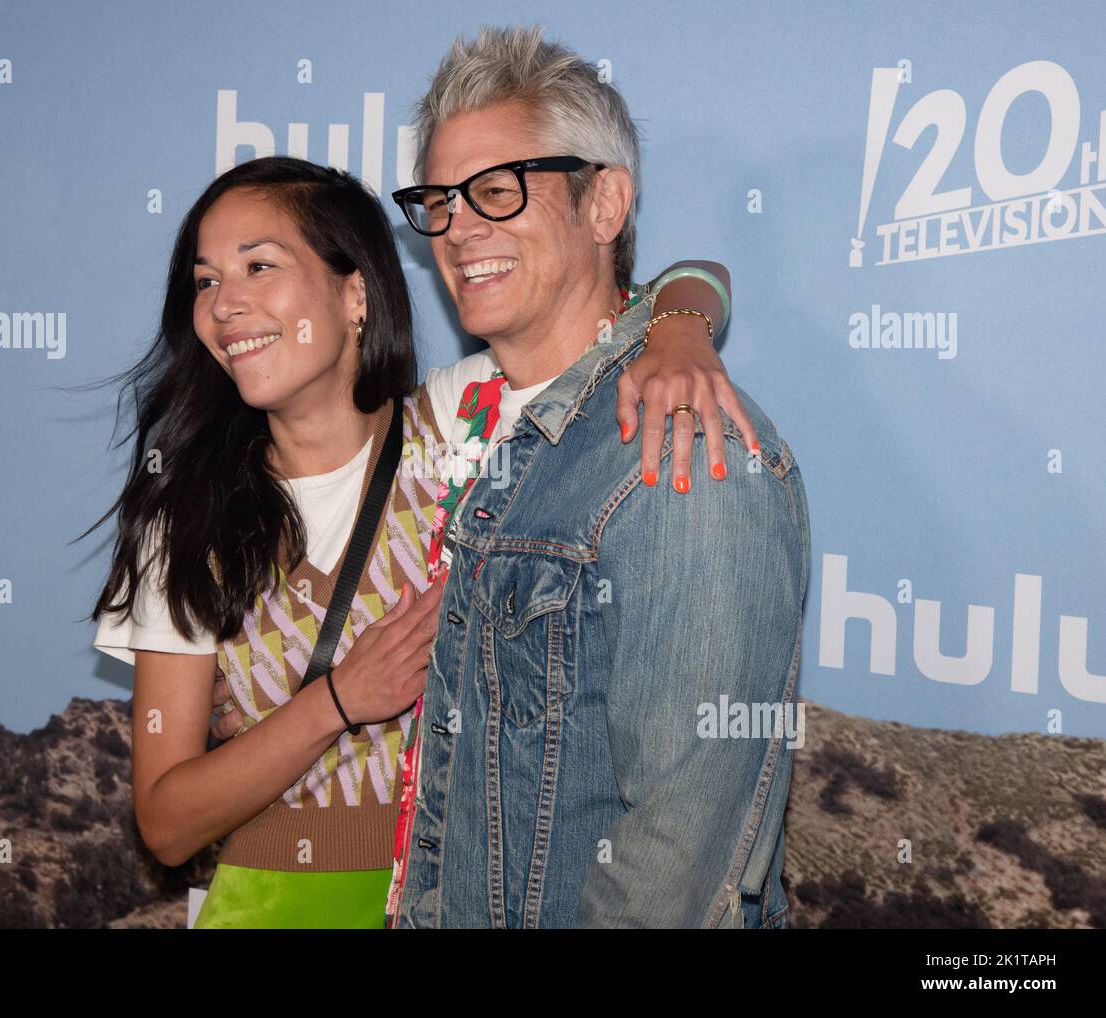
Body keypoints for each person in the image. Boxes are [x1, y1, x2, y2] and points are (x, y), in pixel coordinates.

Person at [86, 153, 750, 928]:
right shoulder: (184, 518)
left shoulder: (460, 421)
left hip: (467, 896)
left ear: (355, 291)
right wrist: (339, 701)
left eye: (258, 266)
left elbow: (690, 277)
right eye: (205, 281)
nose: (225, 306)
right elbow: (166, 823)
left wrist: (679, 335)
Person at [368, 25, 811, 929]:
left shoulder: (680, 441)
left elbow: (678, 863)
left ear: (604, 202)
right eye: (440, 201)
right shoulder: (500, 427)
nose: (458, 230)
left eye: (497, 191)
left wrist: (681, 315)